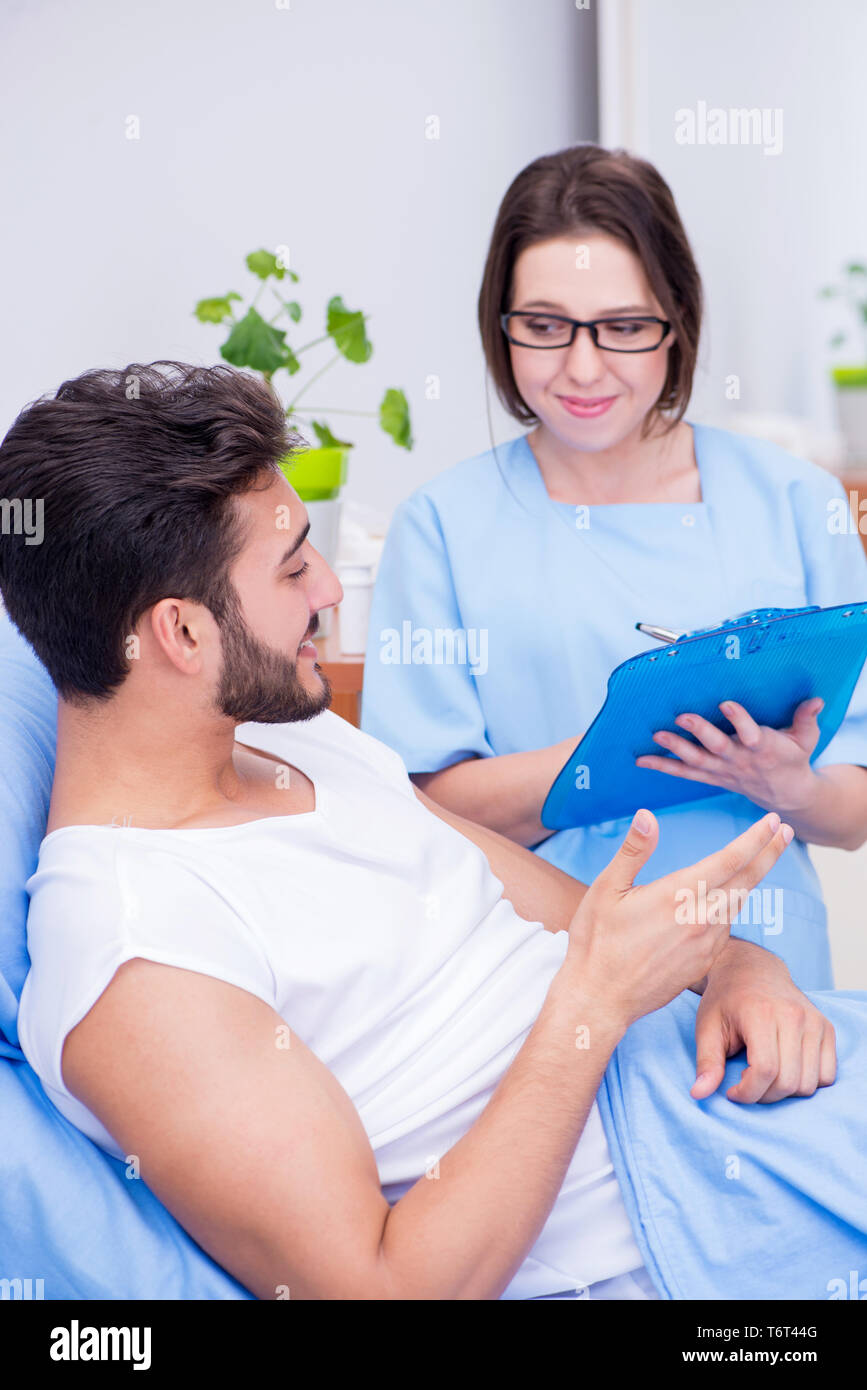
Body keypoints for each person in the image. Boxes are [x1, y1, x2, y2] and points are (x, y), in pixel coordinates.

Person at [2, 361, 865, 1303]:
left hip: (721, 1075)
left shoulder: (304, 740)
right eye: (293, 566)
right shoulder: (140, 961)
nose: (330, 587)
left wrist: (741, 966)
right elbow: (386, 1289)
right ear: (182, 633)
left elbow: (589, 927)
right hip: (672, 1195)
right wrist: (593, 1010)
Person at [360, 143, 867, 993]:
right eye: (546, 327)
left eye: (625, 328)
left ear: (677, 321)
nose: (583, 368)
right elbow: (423, 808)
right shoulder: (442, 525)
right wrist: (623, 749)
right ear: (501, 326)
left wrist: (787, 784)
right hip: (535, 970)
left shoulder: (796, 501)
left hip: (770, 979)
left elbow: (851, 817)